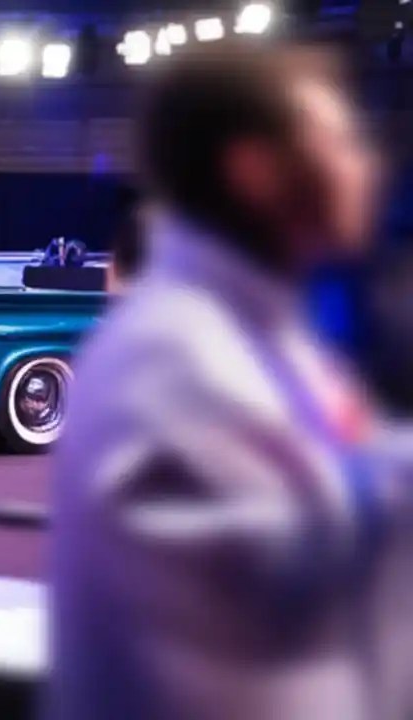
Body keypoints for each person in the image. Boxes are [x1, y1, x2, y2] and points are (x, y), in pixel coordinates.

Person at [46, 42, 411, 720]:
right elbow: (293, 604)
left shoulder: (269, 337)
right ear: (255, 171)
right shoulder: (173, 359)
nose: (366, 167)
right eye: (339, 141)